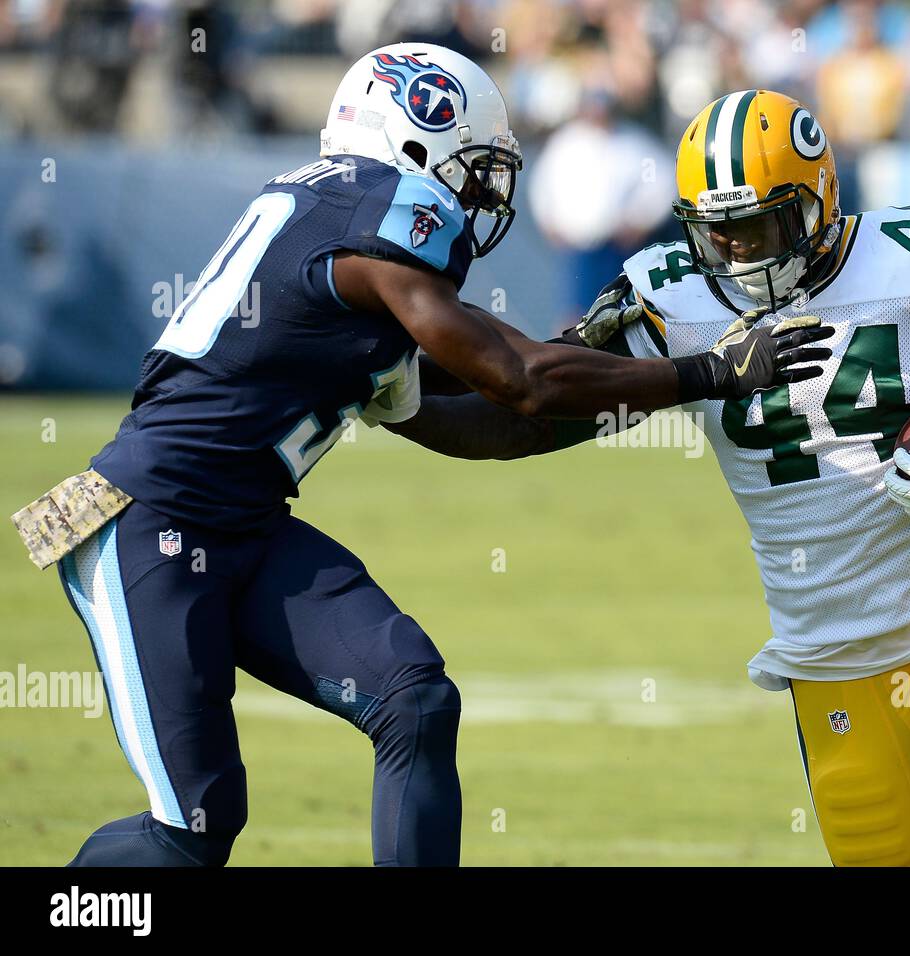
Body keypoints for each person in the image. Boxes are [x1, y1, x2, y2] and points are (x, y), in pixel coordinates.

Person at [10, 49, 831, 867]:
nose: (480, 193)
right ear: (413, 141)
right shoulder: (373, 212)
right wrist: (710, 372)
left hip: (248, 527)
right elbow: (521, 383)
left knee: (414, 700)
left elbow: (484, 419)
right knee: (191, 828)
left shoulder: (340, 239)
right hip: (152, 524)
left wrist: (587, 352)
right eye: (474, 169)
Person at [400, 90, 910, 867]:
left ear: (819, 198)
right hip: (835, 661)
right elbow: (521, 418)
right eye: (723, 235)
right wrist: (398, 401)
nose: (742, 254)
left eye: (763, 227)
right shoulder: (670, 293)